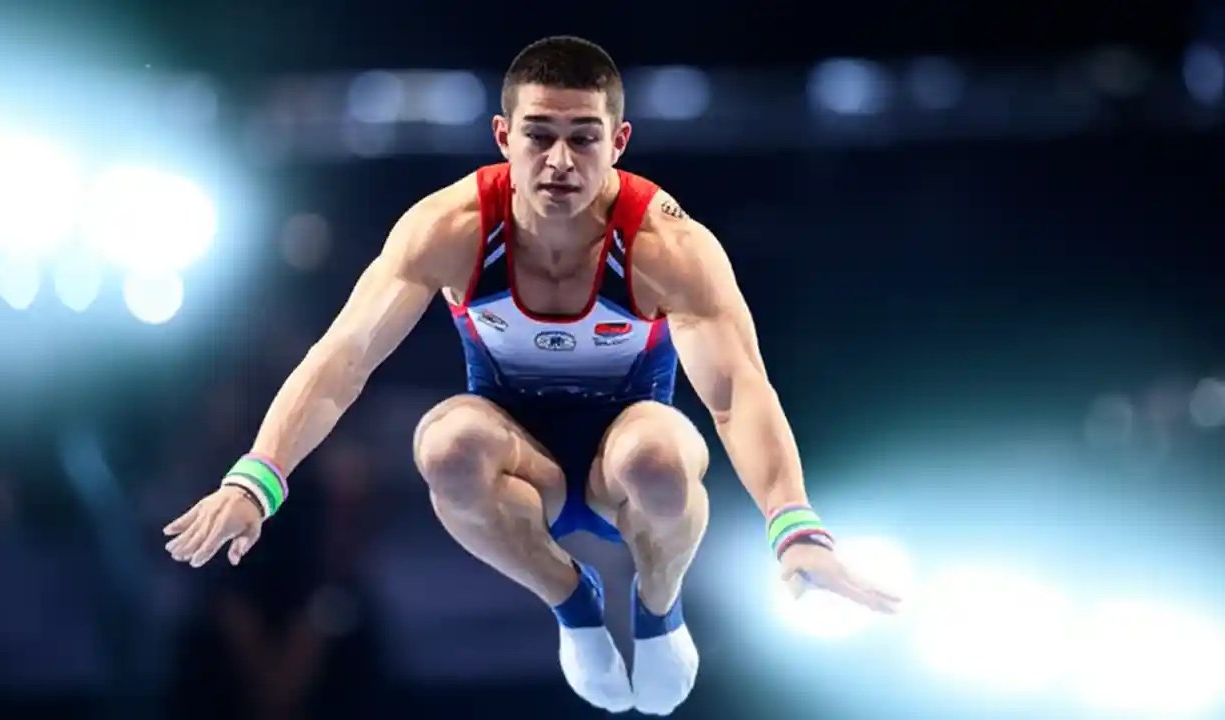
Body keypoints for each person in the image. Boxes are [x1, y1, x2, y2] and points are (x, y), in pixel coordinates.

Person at [163, 35, 901, 716]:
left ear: (618, 142)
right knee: (445, 447)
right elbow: (342, 359)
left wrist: (796, 528)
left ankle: (658, 602)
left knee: (659, 456)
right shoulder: (449, 227)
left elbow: (738, 394)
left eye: (583, 139)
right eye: (539, 135)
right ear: (502, 136)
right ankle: (571, 603)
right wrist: (256, 478)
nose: (559, 161)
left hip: (627, 451)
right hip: (516, 453)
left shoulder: (667, 243)